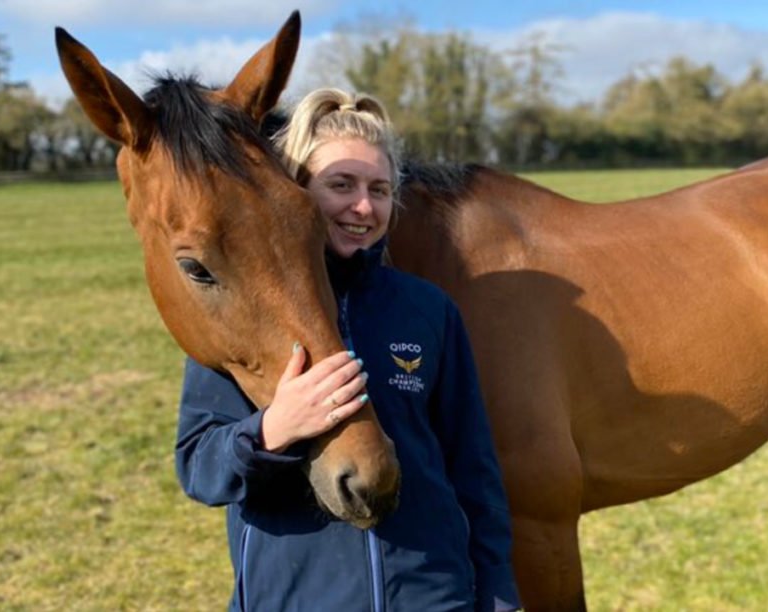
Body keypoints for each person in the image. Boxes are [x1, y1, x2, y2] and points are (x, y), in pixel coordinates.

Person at [174, 87, 521, 611]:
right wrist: (273, 429)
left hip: (431, 595)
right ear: (297, 190)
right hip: (294, 597)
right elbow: (199, 466)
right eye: (341, 185)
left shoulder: (430, 310)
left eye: (380, 189)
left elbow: (472, 468)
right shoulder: (240, 307)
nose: (363, 206)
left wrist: (497, 597)